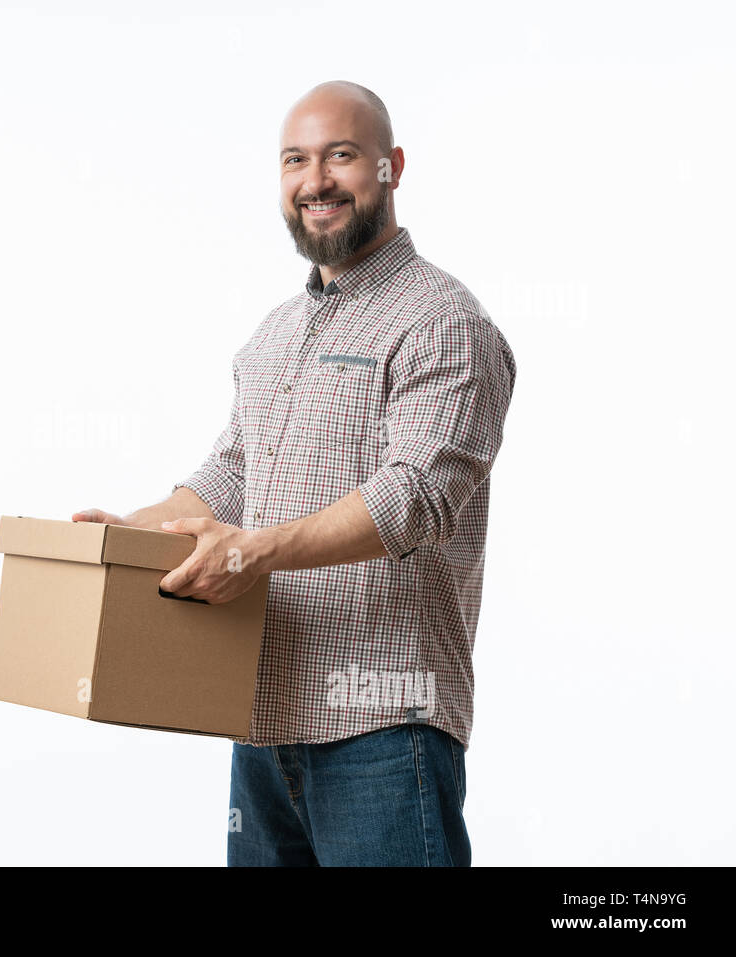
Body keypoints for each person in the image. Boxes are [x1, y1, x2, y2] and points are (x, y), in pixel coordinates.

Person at [72, 80, 517, 866]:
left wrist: (252, 551)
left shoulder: (446, 322)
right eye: (295, 160)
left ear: (392, 167)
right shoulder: (275, 333)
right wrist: (131, 536)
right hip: (261, 721)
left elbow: (416, 496)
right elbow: (233, 471)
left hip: (384, 728)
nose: (316, 180)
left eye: (341, 155)